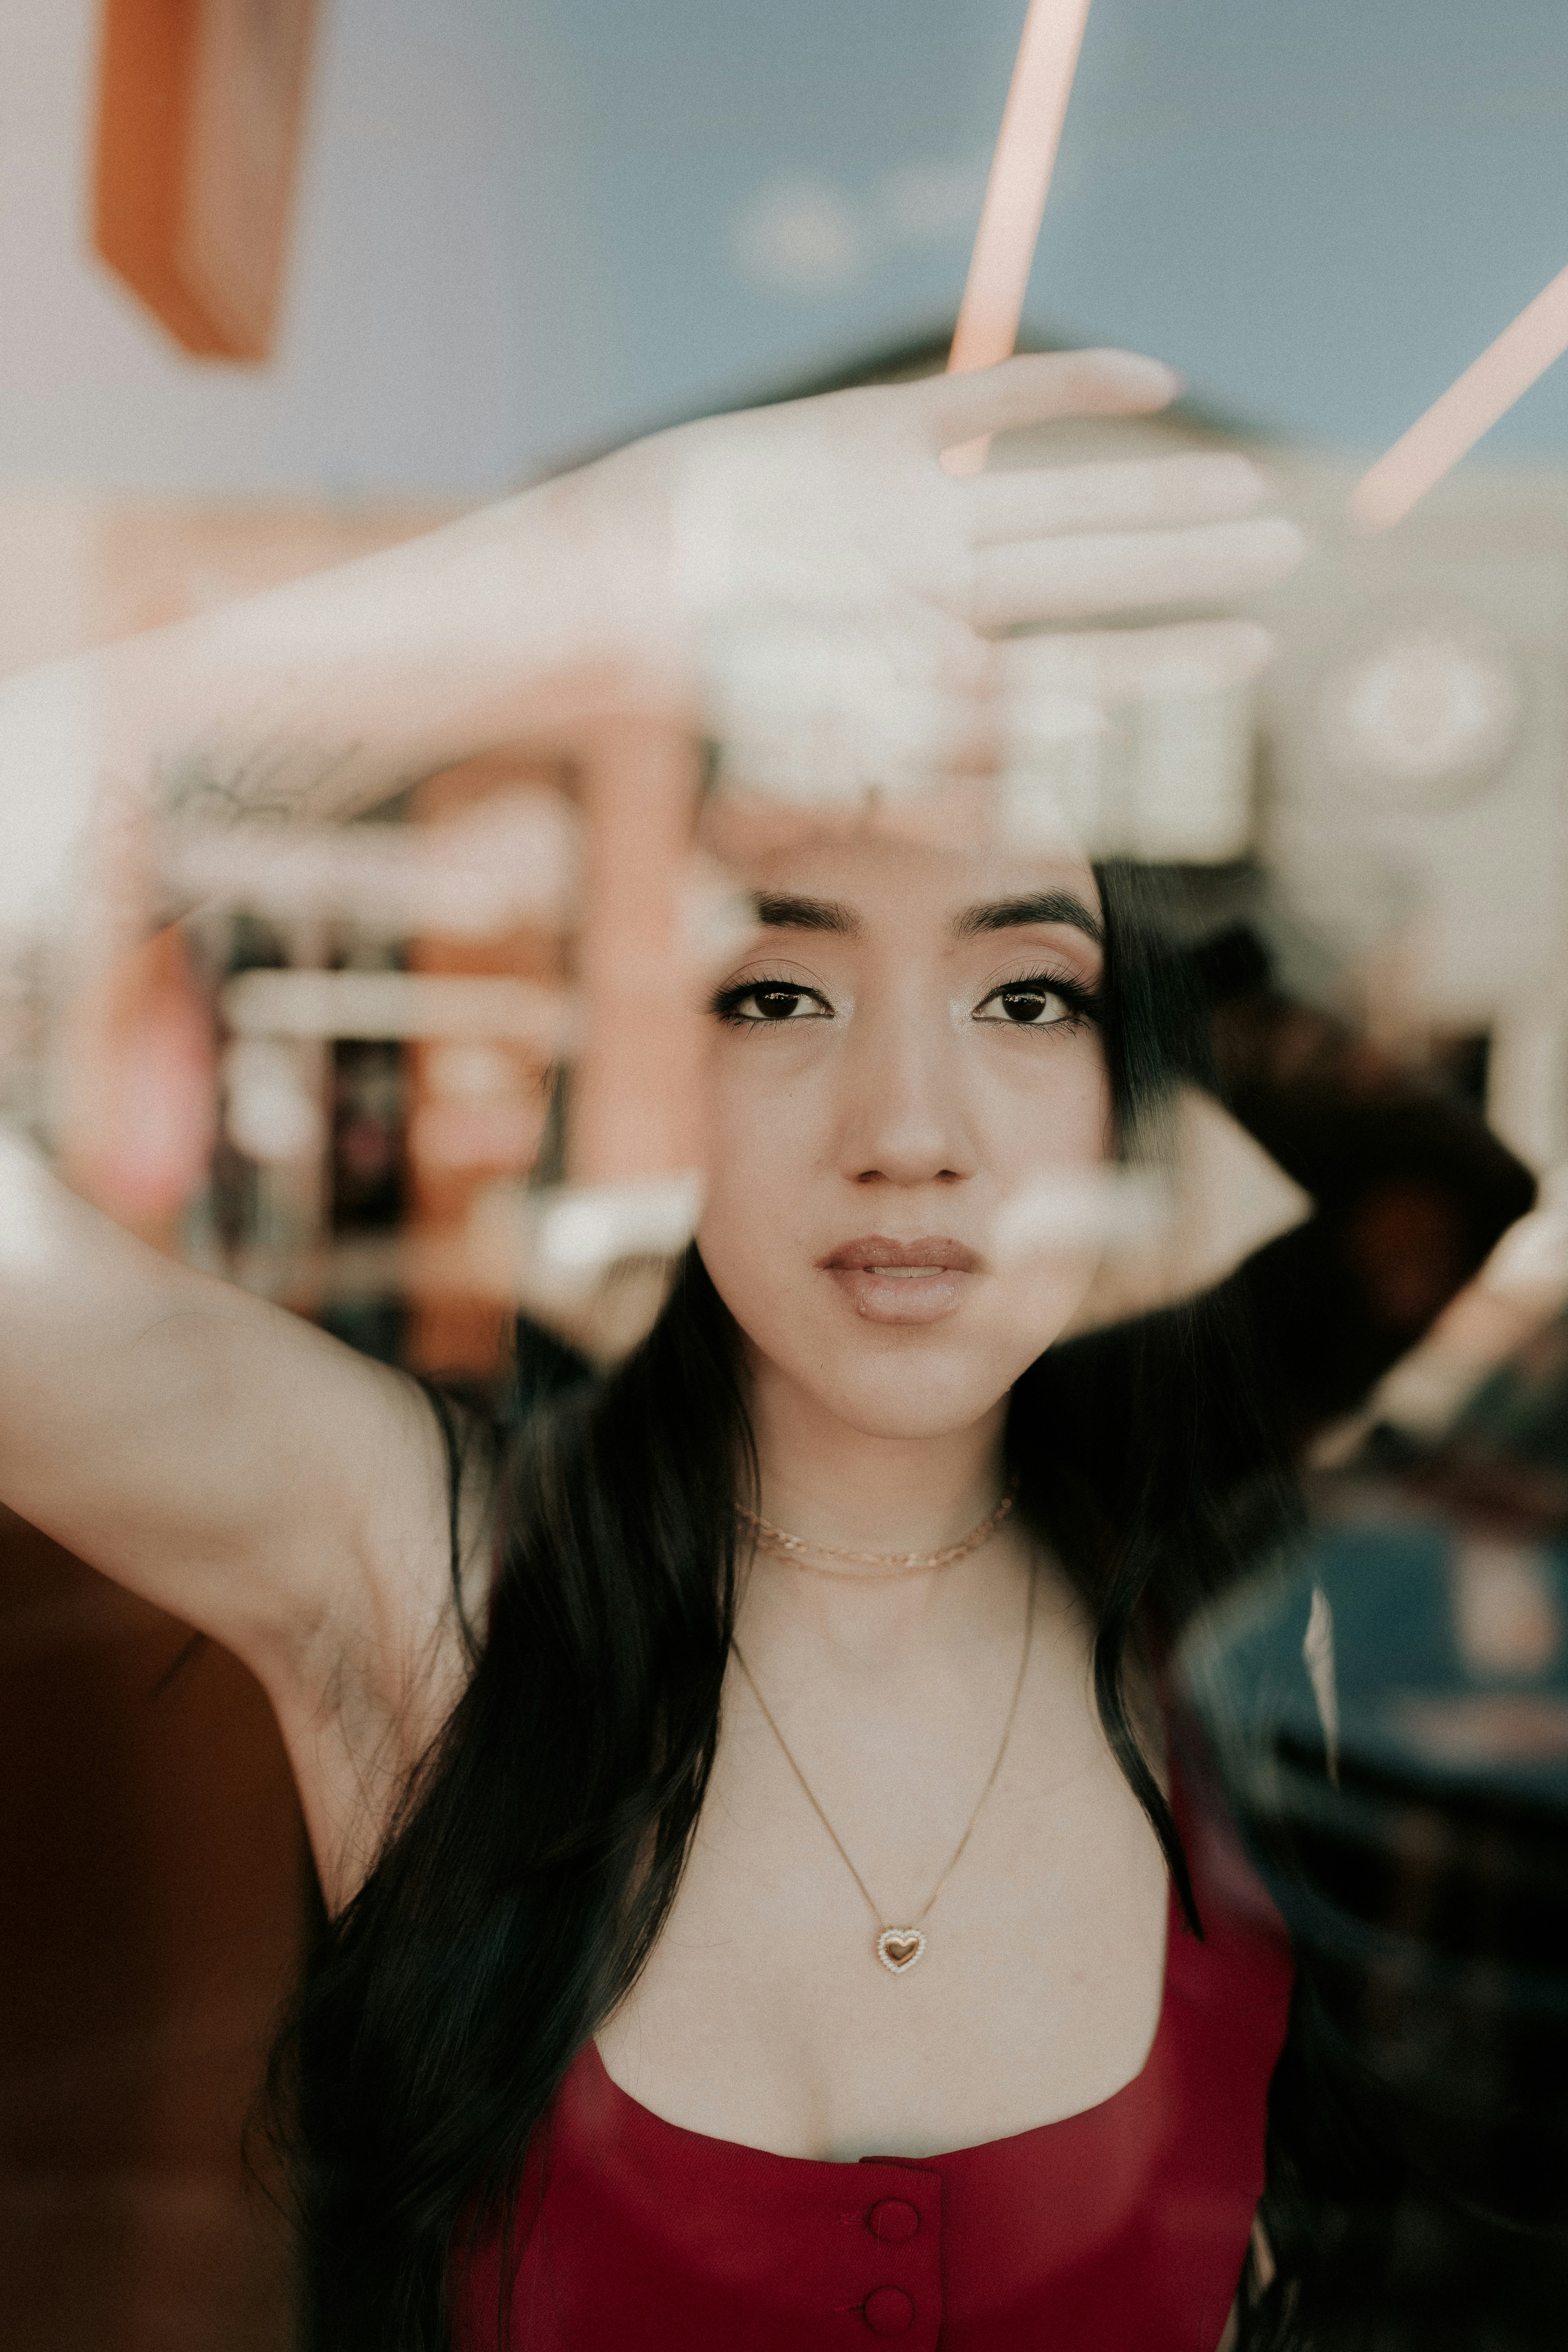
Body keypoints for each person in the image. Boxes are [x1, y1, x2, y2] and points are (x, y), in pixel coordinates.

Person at [0, 352, 1315, 2349]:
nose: (908, 1125)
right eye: (781, 987)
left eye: (1028, 998)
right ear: (654, 1048)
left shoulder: (1245, 1658)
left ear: (1140, 1074)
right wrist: (593, 580)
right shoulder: (431, 1584)